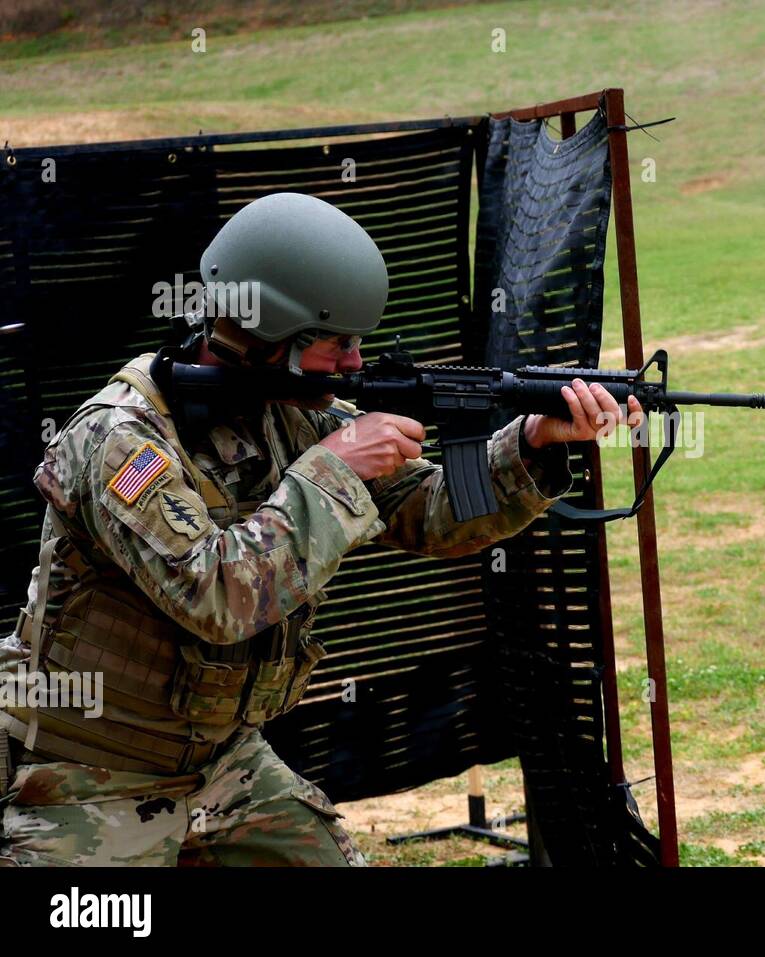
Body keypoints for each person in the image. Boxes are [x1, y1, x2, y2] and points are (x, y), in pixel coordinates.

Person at [0, 192, 641, 866]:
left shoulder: (287, 410)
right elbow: (215, 596)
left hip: (220, 764)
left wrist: (536, 440)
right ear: (275, 330)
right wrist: (333, 471)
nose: (354, 363)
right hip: (88, 770)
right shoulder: (121, 439)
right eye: (339, 343)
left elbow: (430, 511)